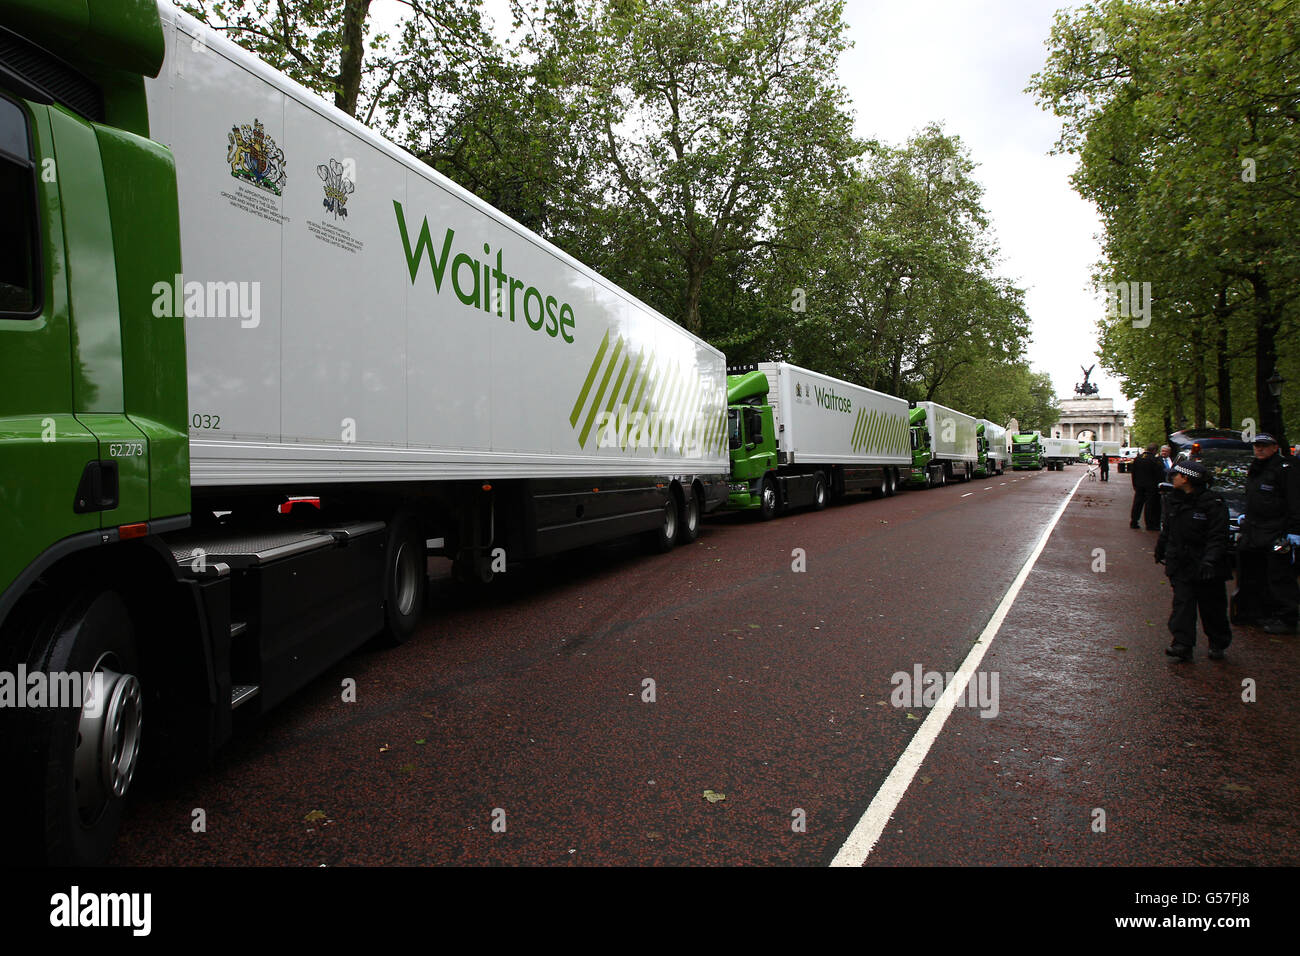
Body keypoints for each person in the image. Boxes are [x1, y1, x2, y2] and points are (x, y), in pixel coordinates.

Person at [1155, 459, 1232, 660]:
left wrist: (1210, 560)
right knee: (1182, 604)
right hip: (1181, 562)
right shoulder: (1174, 500)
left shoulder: (1213, 503)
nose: (1173, 478)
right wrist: (1161, 548)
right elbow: (1169, 528)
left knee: (1212, 607)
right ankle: (1182, 643)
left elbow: (1218, 536)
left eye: (1177, 475)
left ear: (1186, 478)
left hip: (1206, 565)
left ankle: (1217, 642)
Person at [1236, 433, 1300, 634]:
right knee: (1255, 572)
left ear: (1275, 447)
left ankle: (1286, 618)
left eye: (1264, 446)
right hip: (1255, 529)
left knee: (1280, 576)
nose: (1259, 449)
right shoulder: (1256, 468)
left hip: (1277, 530)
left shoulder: (1285, 469)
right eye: (1257, 446)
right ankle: (1259, 612)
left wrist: (1294, 530)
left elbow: (1295, 501)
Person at [1130, 444, 1162, 530]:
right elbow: (1158, 474)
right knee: (1149, 505)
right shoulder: (1154, 460)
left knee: (1137, 503)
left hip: (1139, 485)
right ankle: (1149, 524)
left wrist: (1134, 484)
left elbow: (1133, 472)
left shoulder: (1138, 458)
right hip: (1151, 486)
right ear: (1155, 450)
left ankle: (1134, 521)